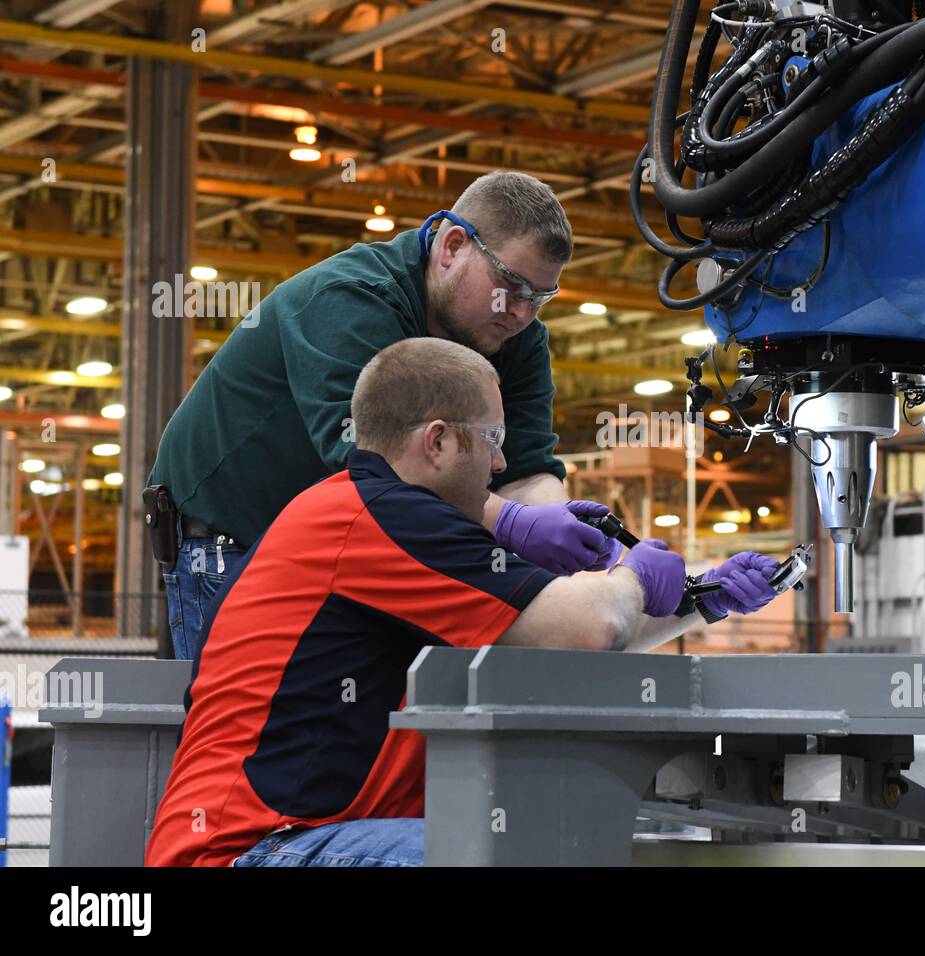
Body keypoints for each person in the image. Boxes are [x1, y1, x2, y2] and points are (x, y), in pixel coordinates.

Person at [145, 338, 781, 867]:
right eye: (495, 436)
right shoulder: (372, 517)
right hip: (252, 851)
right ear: (439, 441)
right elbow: (595, 626)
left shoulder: (393, 521)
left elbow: (566, 641)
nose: (504, 458)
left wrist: (703, 600)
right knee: (512, 855)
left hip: (323, 839)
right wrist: (635, 576)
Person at [148, 171, 623, 659]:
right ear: (453, 246)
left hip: (353, 537)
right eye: (512, 285)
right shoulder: (350, 300)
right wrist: (512, 523)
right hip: (229, 539)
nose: (523, 312)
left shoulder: (515, 337)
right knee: (259, 707)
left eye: (539, 298)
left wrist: (578, 547)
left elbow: (522, 466)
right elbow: (374, 472)